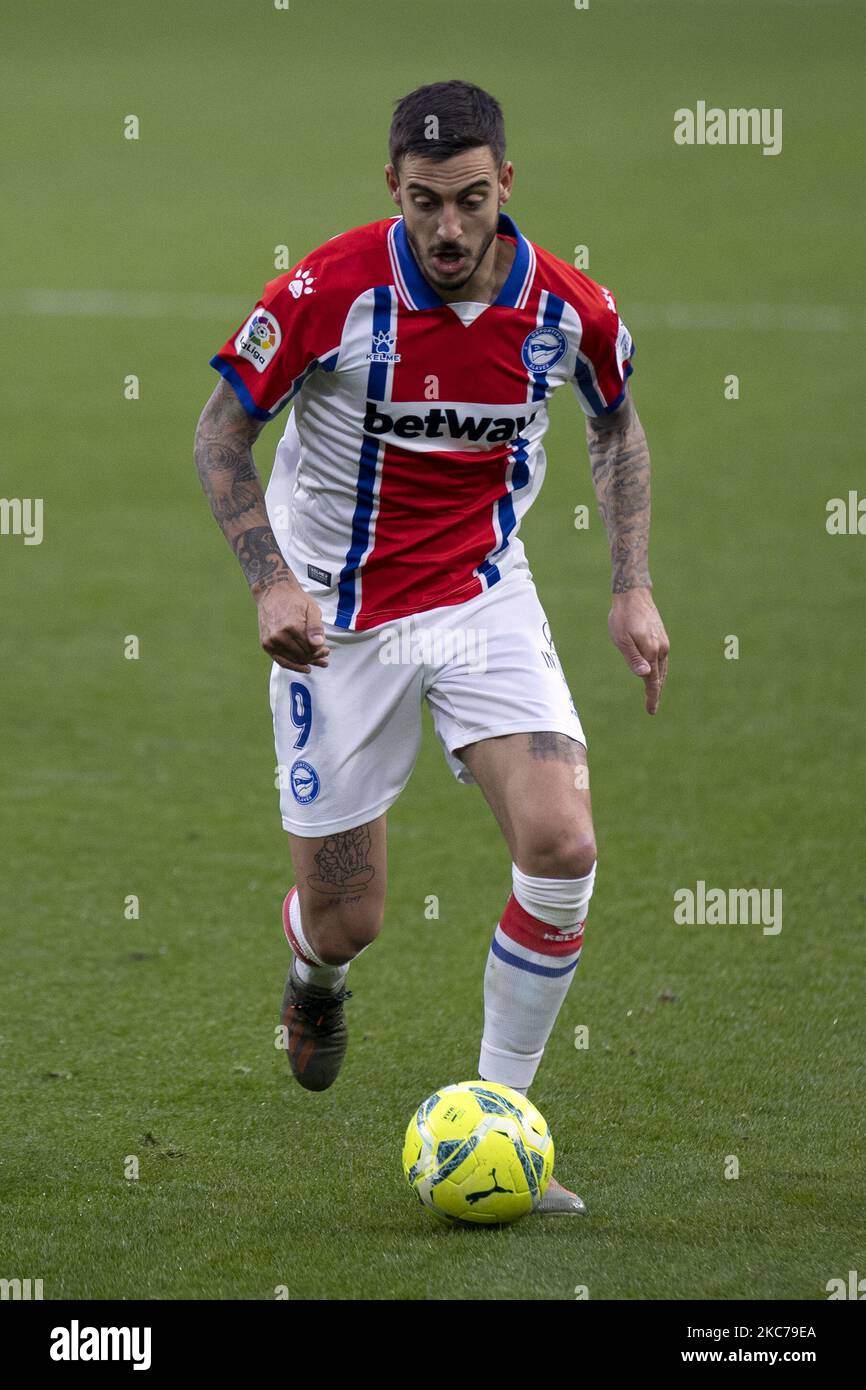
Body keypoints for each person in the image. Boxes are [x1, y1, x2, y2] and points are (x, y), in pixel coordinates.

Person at [194, 80, 669, 1215]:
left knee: (560, 842)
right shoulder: (328, 290)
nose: (447, 229)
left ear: (505, 183)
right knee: (350, 915)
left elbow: (614, 422)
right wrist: (270, 582)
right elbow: (221, 435)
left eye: (468, 200)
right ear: (390, 191)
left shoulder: (569, 310)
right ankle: (315, 973)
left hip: (478, 600)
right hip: (336, 627)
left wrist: (630, 584)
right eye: (422, 204)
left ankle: (503, 1125)